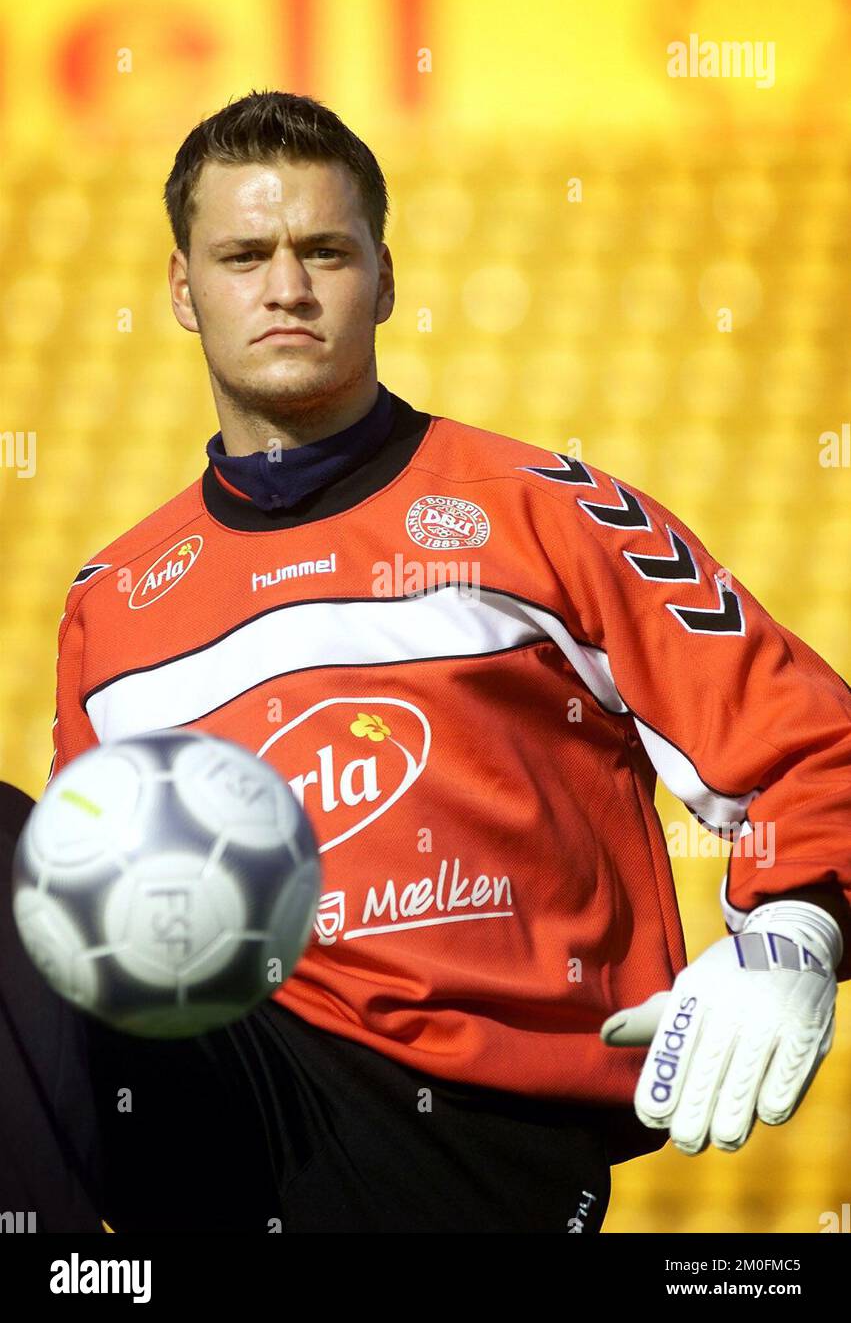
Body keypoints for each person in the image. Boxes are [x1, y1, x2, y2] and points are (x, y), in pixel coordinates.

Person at [4, 90, 849, 1233]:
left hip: (470, 1141)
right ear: (181, 290)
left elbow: (811, 750)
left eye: (325, 251)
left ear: (386, 277)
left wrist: (792, 932)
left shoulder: (549, 515)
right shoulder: (112, 603)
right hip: (227, 1098)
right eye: (244, 254)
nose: (287, 288)